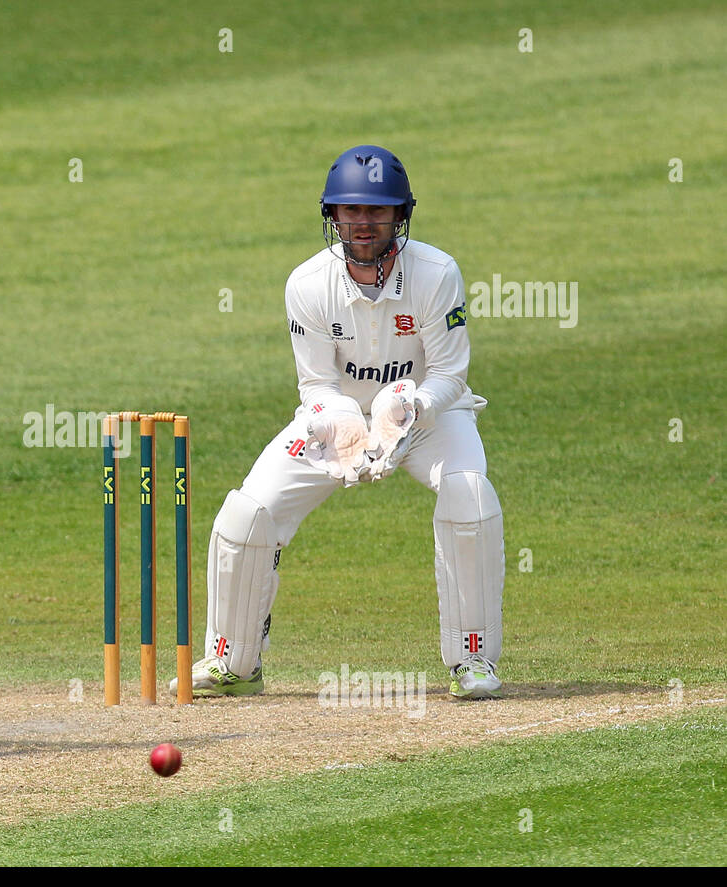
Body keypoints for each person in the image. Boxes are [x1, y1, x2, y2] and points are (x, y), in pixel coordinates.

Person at [170, 146, 504, 702]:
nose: (364, 222)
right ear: (333, 215)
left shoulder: (437, 272)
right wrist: (347, 427)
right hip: (335, 423)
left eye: (377, 211)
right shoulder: (306, 284)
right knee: (249, 511)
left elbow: (450, 372)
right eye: (351, 211)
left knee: (468, 495)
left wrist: (411, 410)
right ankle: (233, 661)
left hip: (427, 415)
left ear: (401, 215)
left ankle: (473, 659)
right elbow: (316, 387)